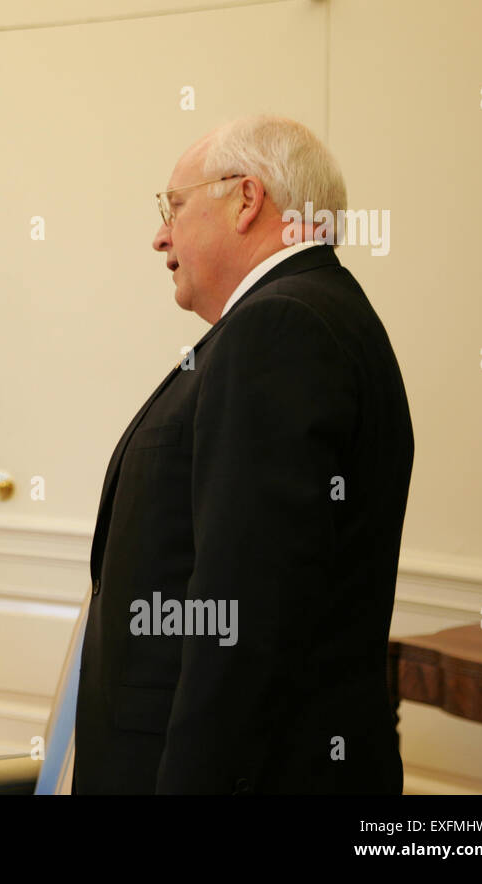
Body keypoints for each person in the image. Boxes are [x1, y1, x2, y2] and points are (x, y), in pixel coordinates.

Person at [73, 115, 413, 794]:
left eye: (173, 206)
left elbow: (243, 614)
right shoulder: (316, 313)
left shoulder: (279, 327)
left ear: (246, 200)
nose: (160, 236)